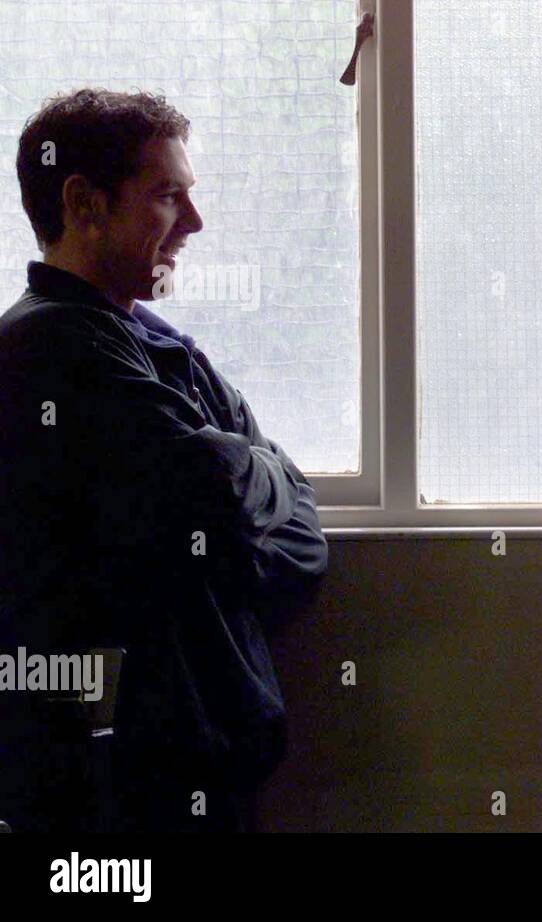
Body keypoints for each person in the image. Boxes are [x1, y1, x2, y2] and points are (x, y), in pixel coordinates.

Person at [0, 88, 328, 832]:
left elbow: (303, 538)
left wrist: (245, 484)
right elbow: (212, 494)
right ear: (84, 203)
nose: (196, 223)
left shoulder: (159, 345)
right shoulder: (46, 349)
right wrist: (242, 478)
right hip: (112, 792)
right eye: (168, 196)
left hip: (207, 768)